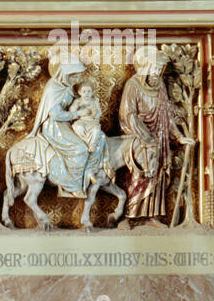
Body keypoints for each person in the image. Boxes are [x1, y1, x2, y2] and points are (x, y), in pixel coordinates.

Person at [120, 48, 194, 226]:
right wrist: (144, 136)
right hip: (140, 139)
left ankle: (153, 217)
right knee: (140, 175)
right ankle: (132, 217)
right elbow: (128, 114)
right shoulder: (133, 85)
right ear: (145, 65)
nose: (158, 72)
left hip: (160, 138)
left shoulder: (160, 86)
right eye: (155, 67)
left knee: (158, 177)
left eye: (160, 68)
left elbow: (167, 116)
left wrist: (179, 136)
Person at [29, 55, 104, 199]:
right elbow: (55, 114)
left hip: (68, 123)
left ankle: (90, 173)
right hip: (54, 126)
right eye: (74, 76)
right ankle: (71, 187)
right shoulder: (53, 88)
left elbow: (76, 101)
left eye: (77, 77)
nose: (76, 80)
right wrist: (77, 113)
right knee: (79, 149)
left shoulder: (67, 87)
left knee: (99, 138)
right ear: (65, 74)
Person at [70, 81, 105, 155]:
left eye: (89, 91)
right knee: (78, 127)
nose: (87, 93)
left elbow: (99, 112)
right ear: (79, 92)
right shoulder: (78, 101)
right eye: (84, 91)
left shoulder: (94, 101)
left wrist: (95, 113)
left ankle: (92, 145)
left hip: (92, 121)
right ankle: (82, 143)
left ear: (92, 92)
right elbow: (71, 111)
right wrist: (76, 107)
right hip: (81, 121)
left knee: (96, 130)